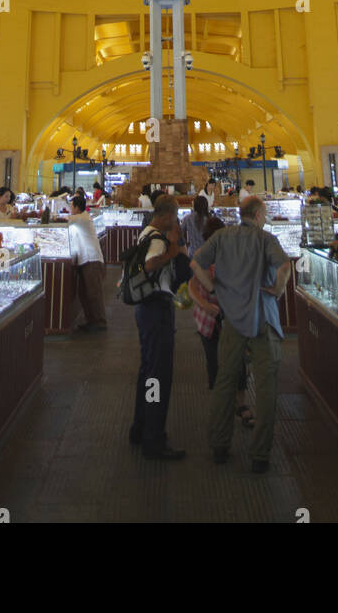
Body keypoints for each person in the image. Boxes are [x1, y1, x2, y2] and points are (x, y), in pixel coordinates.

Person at [191, 196, 290, 474]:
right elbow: (284, 267)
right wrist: (277, 290)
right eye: (264, 214)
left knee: (225, 381)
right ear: (257, 215)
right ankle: (260, 454)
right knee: (266, 386)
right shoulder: (266, 239)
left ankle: (219, 445)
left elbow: (195, 263)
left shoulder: (222, 237)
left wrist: (213, 288)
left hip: (232, 320)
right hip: (263, 318)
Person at [129, 196, 187, 461]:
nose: (176, 222)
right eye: (175, 217)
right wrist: (173, 251)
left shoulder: (146, 233)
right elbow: (149, 264)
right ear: (166, 216)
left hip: (147, 311)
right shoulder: (156, 240)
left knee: (148, 371)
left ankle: (140, 427)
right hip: (155, 312)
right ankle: (153, 437)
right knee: (157, 376)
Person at [189, 216, 254, 427]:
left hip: (232, 316)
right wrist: (205, 305)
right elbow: (191, 286)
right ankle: (222, 406)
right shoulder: (202, 256)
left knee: (239, 360)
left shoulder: (233, 255)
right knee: (214, 362)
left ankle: (239, 403)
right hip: (209, 319)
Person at [68, 190, 107, 331]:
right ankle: (91, 320)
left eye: (71, 207)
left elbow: (66, 221)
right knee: (85, 292)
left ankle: (99, 321)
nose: (70, 209)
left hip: (92, 260)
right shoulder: (81, 218)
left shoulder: (82, 218)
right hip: (86, 260)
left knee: (93, 292)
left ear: (77, 208)